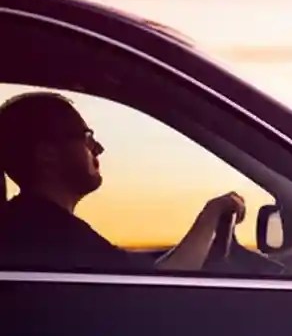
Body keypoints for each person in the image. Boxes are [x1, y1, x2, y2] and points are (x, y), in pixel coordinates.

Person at [0, 90, 245, 273]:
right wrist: (213, 213)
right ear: (47, 154)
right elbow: (158, 290)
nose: (99, 148)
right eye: (86, 138)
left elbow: (138, 273)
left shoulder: (33, 224)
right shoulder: (47, 235)